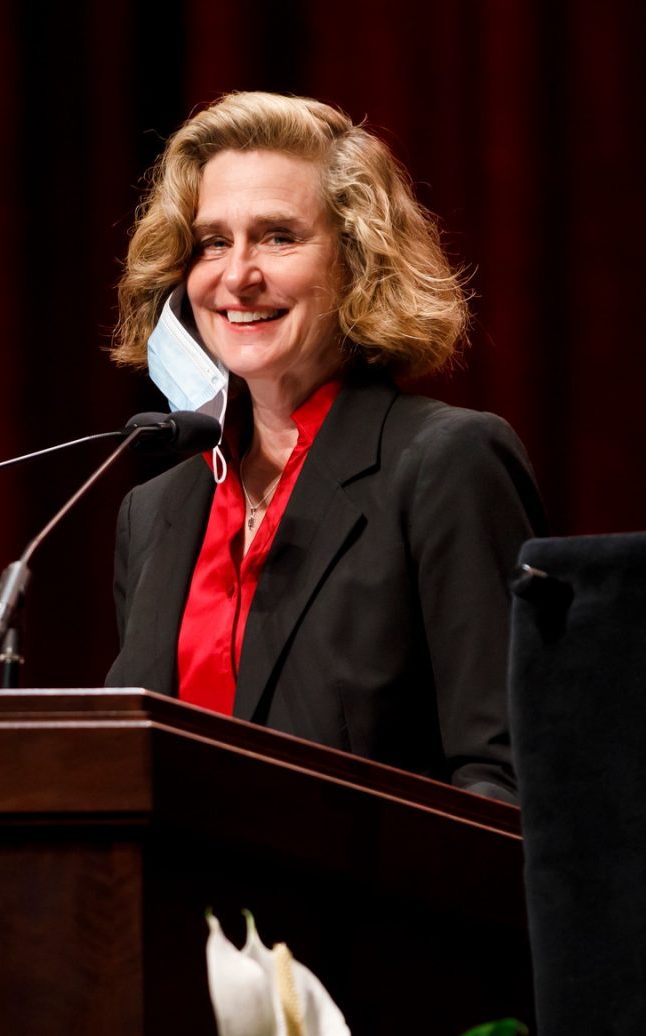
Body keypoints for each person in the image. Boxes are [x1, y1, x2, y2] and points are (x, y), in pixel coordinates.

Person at [105, 91, 544, 803]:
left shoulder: (445, 466)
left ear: (358, 260)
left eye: (278, 237)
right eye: (213, 242)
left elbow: (505, 780)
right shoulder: (153, 515)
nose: (238, 275)